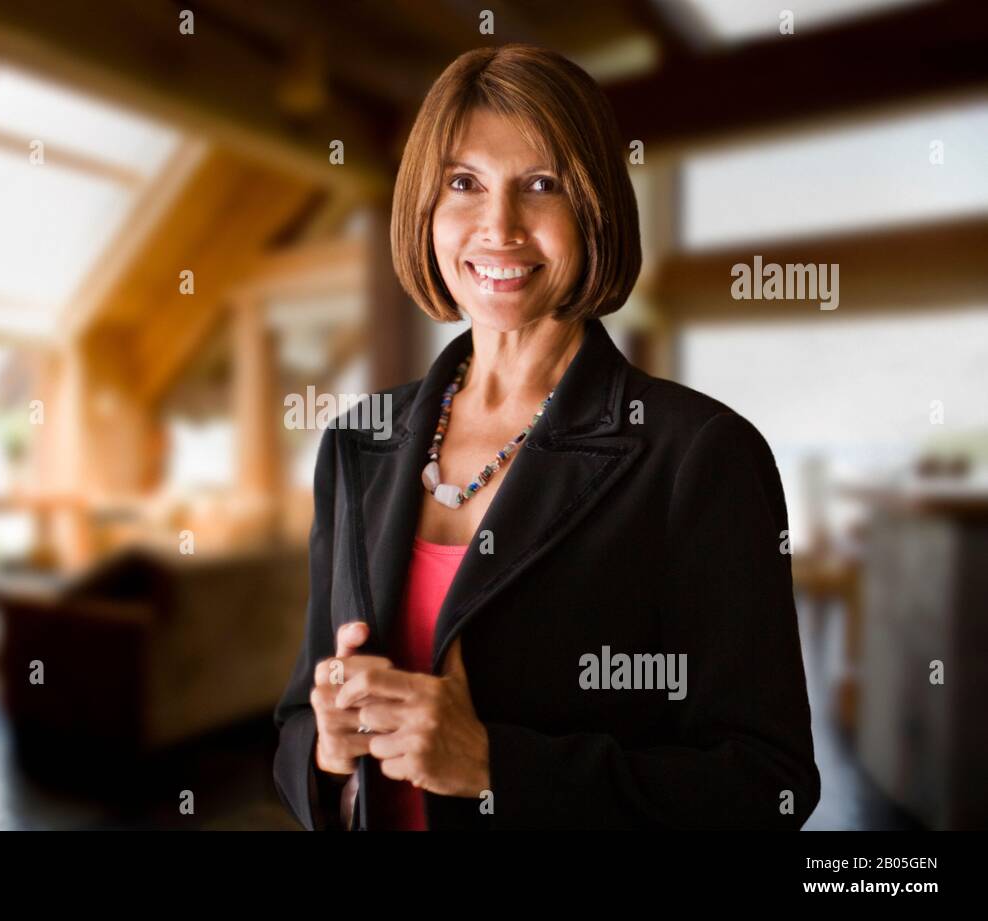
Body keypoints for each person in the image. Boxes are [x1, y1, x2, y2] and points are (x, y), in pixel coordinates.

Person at [272, 43, 820, 830]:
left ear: (594, 205)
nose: (498, 226)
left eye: (541, 184)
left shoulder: (700, 455)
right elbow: (298, 719)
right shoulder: (359, 441)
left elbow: (769, 787)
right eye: (463, 183)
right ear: (425, 209)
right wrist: (328, 753)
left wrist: (496, 765)